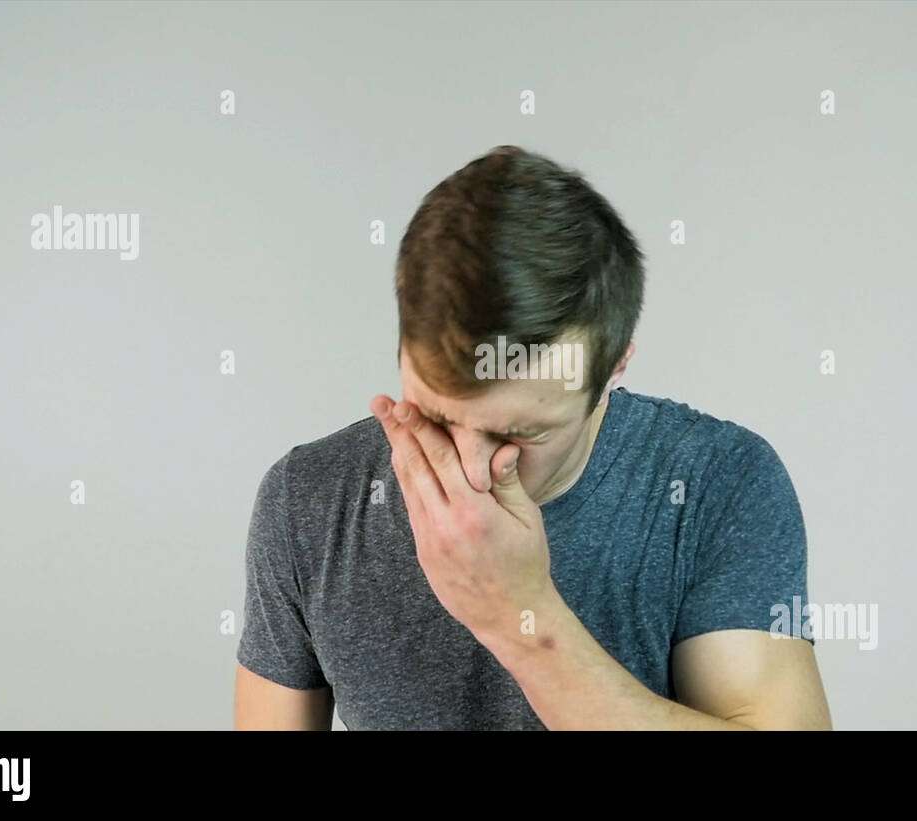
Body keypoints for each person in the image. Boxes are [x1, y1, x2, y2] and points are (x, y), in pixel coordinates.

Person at [233, 145, 832, 730]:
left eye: (519, 433)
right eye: (435, 418)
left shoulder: (716, 481)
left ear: (614, 369)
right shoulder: (306, 499)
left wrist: (520, 616)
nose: (469, 468)